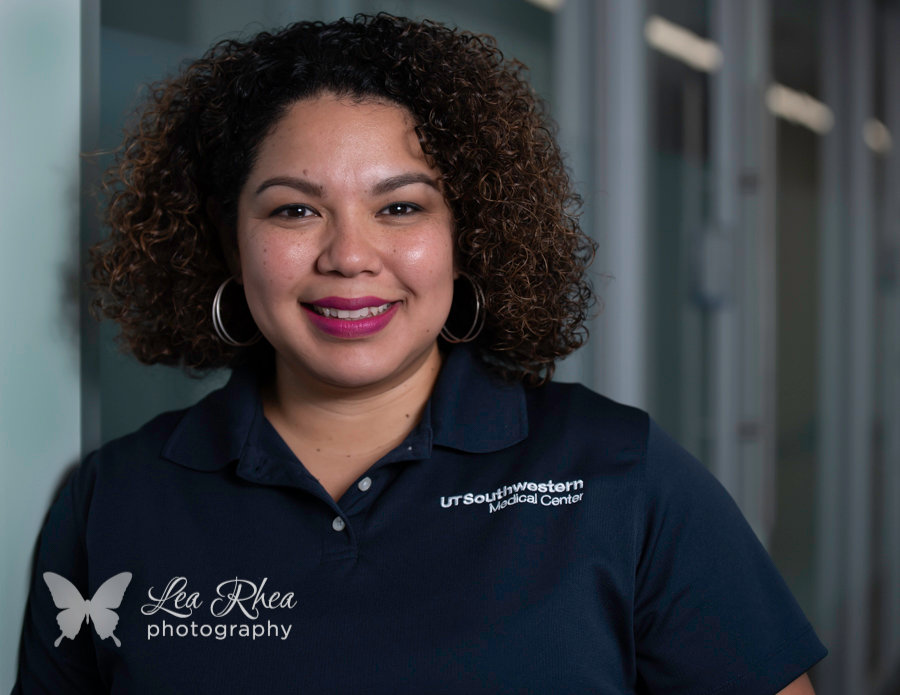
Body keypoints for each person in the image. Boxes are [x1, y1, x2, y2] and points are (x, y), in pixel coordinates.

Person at [14, 13, 825, 694]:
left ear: (466, 236)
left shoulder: (620, 474)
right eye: (295, 210)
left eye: (400, 207)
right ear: (231, 243)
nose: (349, 256)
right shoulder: (111, 500)